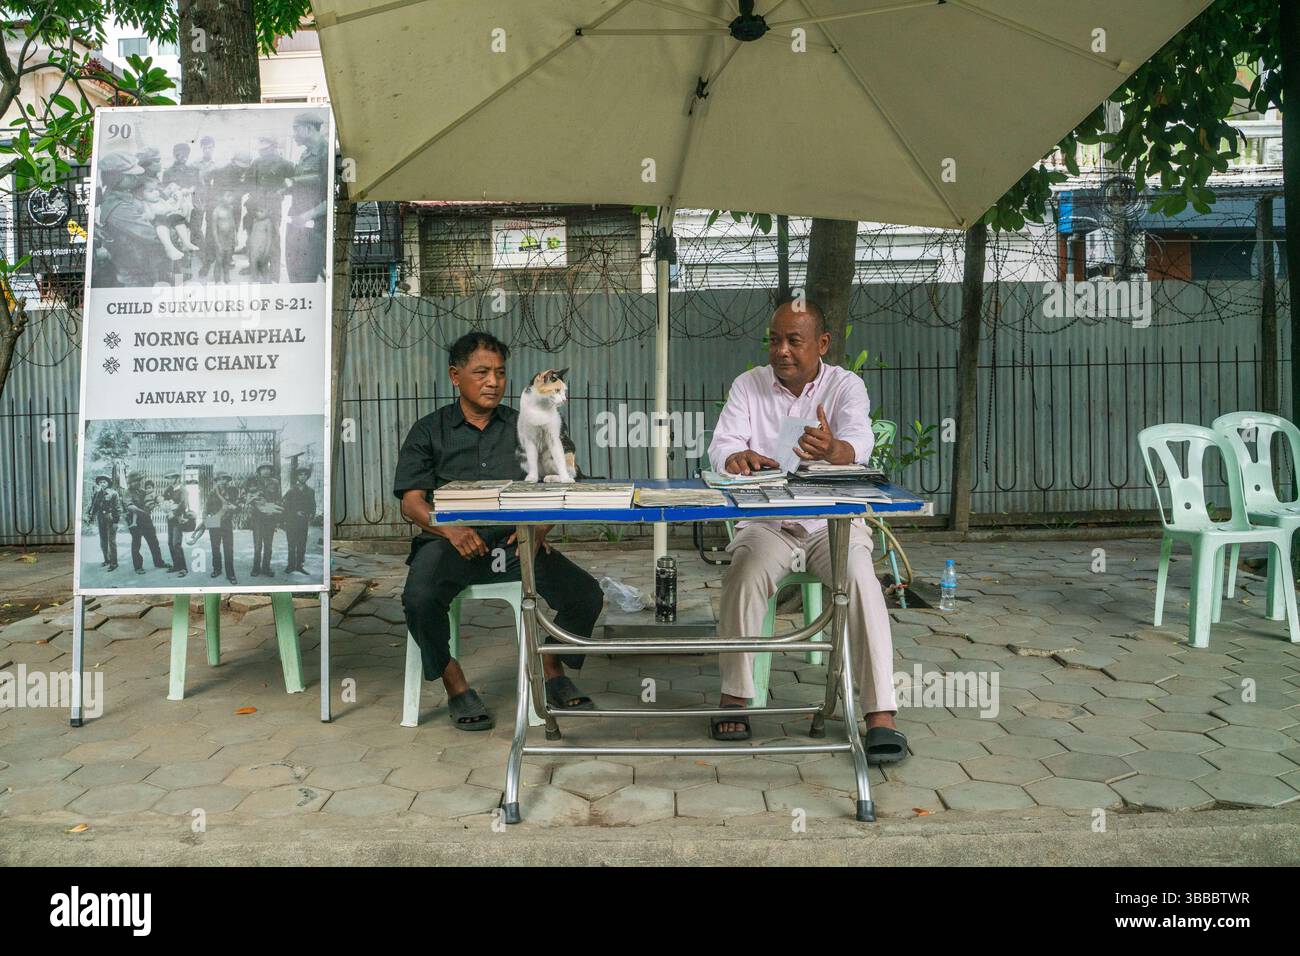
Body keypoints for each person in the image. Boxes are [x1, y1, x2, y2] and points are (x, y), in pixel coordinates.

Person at [706, 296, 907, 764]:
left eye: (794, 341)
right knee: (745, 571)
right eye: (774, 340)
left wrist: (836, 448)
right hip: (769, 521)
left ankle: (880, 715)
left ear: (822, 343)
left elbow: (859, 442)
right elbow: (723, 446)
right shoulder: (748, 385)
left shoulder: (844, 386)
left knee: (860, 579)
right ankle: (737, 695)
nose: (781, 351)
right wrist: (737, 457)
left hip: (829, 522)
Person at [394, 331, 604, 731]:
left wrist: (540, 528)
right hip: (450, 544)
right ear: (456, 377)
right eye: (482, 372)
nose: (493, 381)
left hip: (516, 544)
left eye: (501, 373)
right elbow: (411, 501)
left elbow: (567, 478)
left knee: (586, 595)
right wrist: (449, 530)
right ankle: (455, 683)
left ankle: (551, 665)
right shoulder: (429, 430)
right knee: (419, 599)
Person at [284, 112, 329, 282]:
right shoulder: (306, 153)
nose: (293, 134)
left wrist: (306, 216)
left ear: (309, 129)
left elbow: (331, 198)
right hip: (297, 224)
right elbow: (305, 185)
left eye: (296, 129)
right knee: (295, 276)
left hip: (313, 229)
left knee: (304, 278)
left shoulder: (326, 154)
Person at [247, 136, 293, 282]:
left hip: (273, 206)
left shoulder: (284, 163)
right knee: (256, 239)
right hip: (257, 206)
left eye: (265, 149)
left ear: (273, 147)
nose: (262, 152)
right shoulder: (257, 162)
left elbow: (296, 180)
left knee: (273, 240)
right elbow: (247, 180)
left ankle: (274, 275)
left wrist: (283, 191)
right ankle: (258, 268)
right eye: (260, 149)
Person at [200, 473, 240, 585]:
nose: (222, 481)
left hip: (226, 523)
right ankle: (217, 569)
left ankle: (230, 574)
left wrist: (234, 507)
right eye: (220, 479)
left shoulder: (233, 491)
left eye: (225, 479)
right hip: (214, 523)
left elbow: (238, 506)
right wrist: (205, 519)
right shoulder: (212, 493)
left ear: (228, 481)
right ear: (216, 481)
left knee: (228, 549)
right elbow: (206, 508)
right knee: (215, 548)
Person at [244, 462, 282, 577]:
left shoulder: (275, 482)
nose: (266, 471)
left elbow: (278, 499)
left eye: (268, 469)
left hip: (270, 517)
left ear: (271, 471)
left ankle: (266, 568)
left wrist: (273, 510)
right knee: (258, 545)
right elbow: (247, 496)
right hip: (258, 518)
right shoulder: (253, 481)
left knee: (268, 545)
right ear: (259, 471)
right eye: (263, 469)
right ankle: (256, 568)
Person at [125, 476, 168, 574]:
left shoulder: (142, 491)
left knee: (154, 542)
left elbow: (154, 497)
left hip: (146, 521)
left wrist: (159, 500)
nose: (138, 482)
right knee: (136, 544)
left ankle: (159, 562)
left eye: (139, 480)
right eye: (135, 481)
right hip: (134, 522)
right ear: (130, 482)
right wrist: (143, 512)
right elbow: (130, 506)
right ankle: (138, 567)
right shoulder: (127, 493)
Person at [281, 466, 315, 574]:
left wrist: (311, 515)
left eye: (305, 474)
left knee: (302, 544)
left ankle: (299, 565)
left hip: (303, 522)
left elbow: (313, 505)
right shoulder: (291, 490)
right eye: (300, 474)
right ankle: (290, 565)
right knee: (292, 544)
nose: (303, 476)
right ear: (297, 476)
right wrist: (295, 513)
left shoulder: (310, 491)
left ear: (307, 477)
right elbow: (285, 506)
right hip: (292, 522)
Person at [86, 475, 120, 572]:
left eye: (104, 482)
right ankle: (107, 560)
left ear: (108, 483)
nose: (102, 484)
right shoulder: (97, 493)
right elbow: (94, 506)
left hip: (110, 517)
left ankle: (114, 563)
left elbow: (118, 508)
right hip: (100, 518)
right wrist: (91, 516)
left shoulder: (113, 493)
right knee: (103, 540)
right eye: (100, 482)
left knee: (112, 541)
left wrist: (116, 521)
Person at [162, 472, 190, 576]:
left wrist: (174, 512)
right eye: (168, 478)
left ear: (177, 478)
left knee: (176, 543)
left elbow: (183, 505)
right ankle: (176, 565)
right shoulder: (168, 489)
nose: (170, 480)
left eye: (172, 477)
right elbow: (164, 501)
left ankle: (183, 568)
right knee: (170, 542)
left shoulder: (183, 490)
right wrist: (167, 508)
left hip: (179, 518)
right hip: (170, 518)